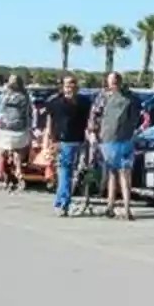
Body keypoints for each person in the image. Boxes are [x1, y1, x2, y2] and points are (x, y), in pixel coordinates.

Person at [94, 71, 142, 220]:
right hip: (109, 139)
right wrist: (93, 134)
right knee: (113, 173)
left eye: (115, 81)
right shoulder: (104, 97)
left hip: (122, 140)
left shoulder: (130, 99)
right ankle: (111, 206)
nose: (113, 84)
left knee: (122, 173)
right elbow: (95, 116)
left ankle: (126, 208)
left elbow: (136, 118)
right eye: (111, 81)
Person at [43, 74, 90, 216]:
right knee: (65, 172)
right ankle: (63, 203)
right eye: (67, 84)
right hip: (63, 142)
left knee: (76, 173)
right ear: (63, 87)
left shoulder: (85, 102)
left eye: (73, 84)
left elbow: (90, 121)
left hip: (81, 141)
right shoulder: (55, 103)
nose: (71, 87)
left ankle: (62, 200)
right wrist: (48, 143)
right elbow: (49, 124)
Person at [0, 75, 33, 193]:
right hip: (18, 129)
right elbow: (29, 112)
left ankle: (7, 178)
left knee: (2, 153)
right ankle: (18, 174)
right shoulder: (25, 97)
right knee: (17, 155)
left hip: (4, 128)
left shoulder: (4, 96)